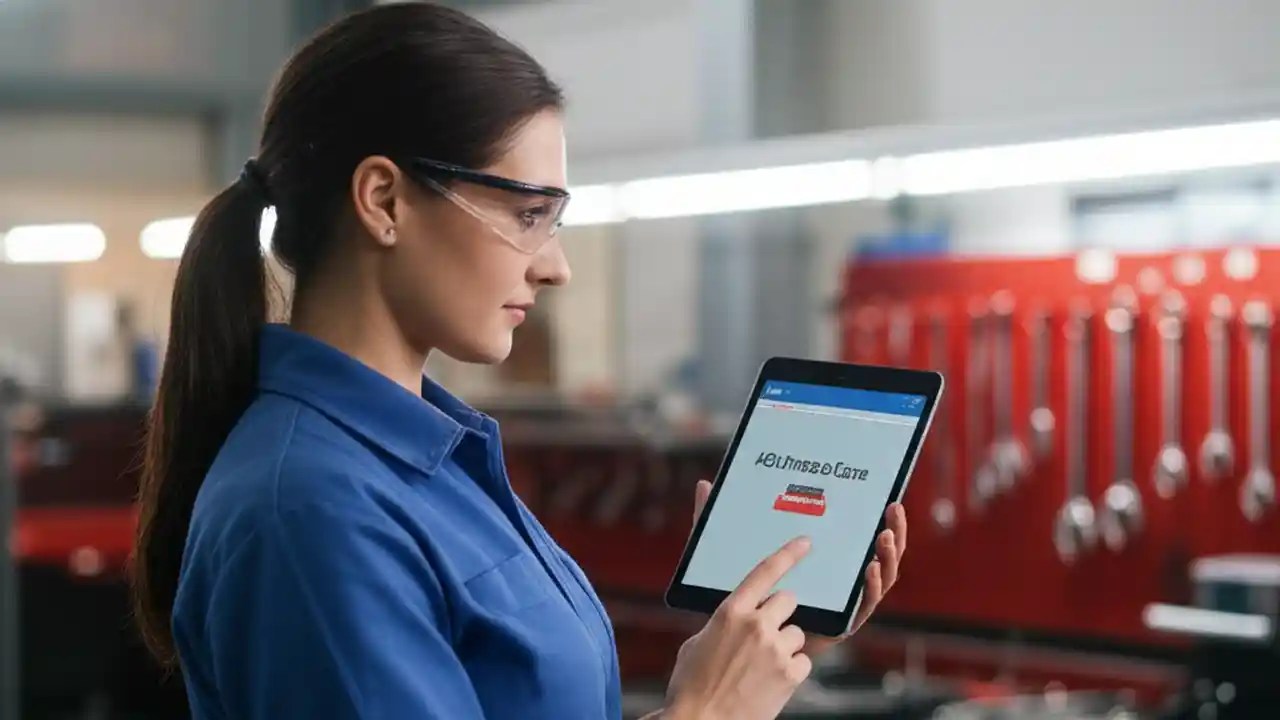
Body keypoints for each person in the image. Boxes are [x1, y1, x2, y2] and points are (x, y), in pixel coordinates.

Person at [130, 4, 908, 719]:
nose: (554, 265)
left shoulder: (436, 465)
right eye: (528, 214)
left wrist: (759, 654)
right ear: (384, 201)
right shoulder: (312, 512)